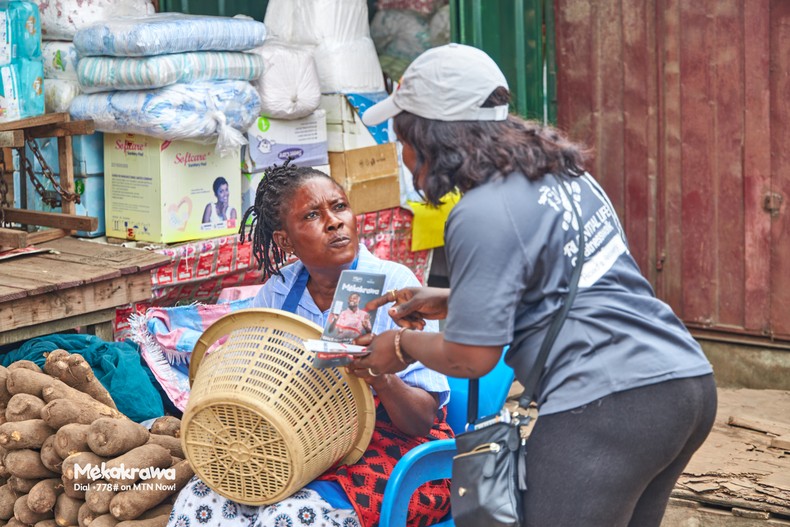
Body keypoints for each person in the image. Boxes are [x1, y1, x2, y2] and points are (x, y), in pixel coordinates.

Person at [354, 43, 718, 527]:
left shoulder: (479, 212)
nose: (401, 156)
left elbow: (471, 357)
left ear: (429, 137)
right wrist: (450, 299)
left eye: (401, 139)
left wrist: (399, 345)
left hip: (609, 404)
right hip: (682, 384)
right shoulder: (562, 173)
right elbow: (574, 281)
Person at [167, 163, 453, 527]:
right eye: (313, 215)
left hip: (401, 454)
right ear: (285, 240)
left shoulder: (393, 285)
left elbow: (423, 421)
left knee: (286, 517)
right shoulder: (280, 290)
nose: (334, 222)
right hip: (304, 444)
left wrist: (379, 376)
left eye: (339, 207)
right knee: (200, 500)